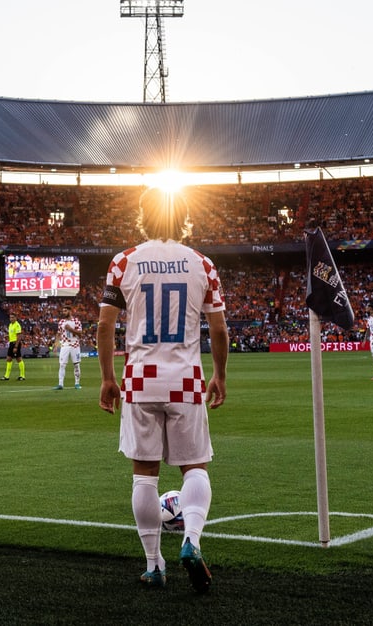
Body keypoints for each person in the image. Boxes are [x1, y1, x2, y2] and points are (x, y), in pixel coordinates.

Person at [98, 187, 228, 593]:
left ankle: (154, 565)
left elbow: (104, 325)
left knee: (144, 476)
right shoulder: (202, 264)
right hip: (186, 379)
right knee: (195, 468)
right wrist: (220, 374)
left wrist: (107, 378)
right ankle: (191, 540)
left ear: (143, 216)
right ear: (183, 216)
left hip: (140, 381)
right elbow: (219, 329)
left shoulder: (123, 261)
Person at [53, 305, 82, 390]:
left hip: (75, 344)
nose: (63, 312)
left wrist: (70, 329)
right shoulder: (61, 322)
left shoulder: (76, 321)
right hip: (65, 345)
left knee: (76, 365)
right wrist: (56, 344)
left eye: (65, 311)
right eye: (63, 311)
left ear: (70, 311)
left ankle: (77, 383)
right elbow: (58, 334)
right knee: (62, 364)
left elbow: (80, 334)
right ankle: (60, 384)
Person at [1, 312, 26, 381]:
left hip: (16, 343)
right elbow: (13, 334)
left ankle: (22, 376)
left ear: (15, 318)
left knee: (19, 359)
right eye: (10, 317)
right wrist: (8, 336)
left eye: (12, 317)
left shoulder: (17, 325)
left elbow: (19, 336)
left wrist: (16, 346)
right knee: (9, 358)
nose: (11, 319)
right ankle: (6, 376)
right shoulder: (10, 325)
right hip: (11, 343)